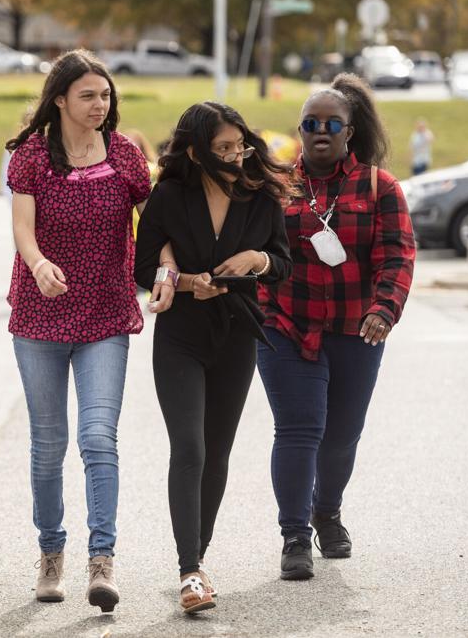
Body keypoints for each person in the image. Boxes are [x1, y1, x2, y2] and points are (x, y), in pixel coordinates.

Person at [6, 49, 150, 613]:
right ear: (61, 99)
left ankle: (102, 560)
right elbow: (22, 227)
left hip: (106, 315)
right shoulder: (33, 157)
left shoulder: (127, 157)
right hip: (41, 315)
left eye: (106, 95)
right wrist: (39, 264)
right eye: (88, 95)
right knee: (49, 446)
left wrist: (164, 266)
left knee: (97, 439)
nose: (100, 104)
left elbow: (155, 219)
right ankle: (50, 553)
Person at [134, 102, 293, 613]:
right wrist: (184, 282)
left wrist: (258, 259)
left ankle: (197, 561)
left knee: (218, 452)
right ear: (197, 152)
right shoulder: (170, 195)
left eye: (239, 146)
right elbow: (143, 267)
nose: (235, 156)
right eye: (223, 149)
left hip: (236, 336)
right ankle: (188, 570)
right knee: (190, 448)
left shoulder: (261, 195)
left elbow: (283, 263)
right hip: (180, 335)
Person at [256, 74, 415, 581]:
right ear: (300, 131)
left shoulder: (378, 186)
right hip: (285, 326)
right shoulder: (275, 185)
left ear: (349, 132)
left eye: (331, 124)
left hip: (355, 329)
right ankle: (295, 535)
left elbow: (398, 253)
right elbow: (255, 251)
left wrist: (383, 309)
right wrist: (260, 306)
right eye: (310, 124)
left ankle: (327, 510)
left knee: (342, 435)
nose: (320, 132)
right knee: (299, 430)